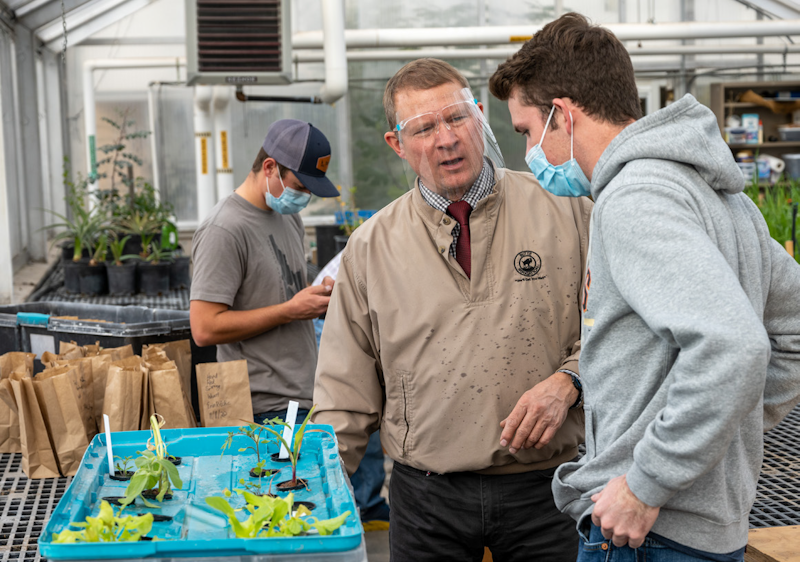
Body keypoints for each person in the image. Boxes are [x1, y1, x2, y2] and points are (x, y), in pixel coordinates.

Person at [489, 12, 800, 562]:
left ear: (561, 114)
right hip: (704, 528)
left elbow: (733, 346)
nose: (529, 154)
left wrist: (647, 481)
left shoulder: (635, 198)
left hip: (650, 533)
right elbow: (791, 332)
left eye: (526, 132)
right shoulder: (723, 199)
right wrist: (718, 434)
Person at [313, 58, 592, 561]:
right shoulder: (372, 247)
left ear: (480, 117)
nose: (446, 139)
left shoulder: (567, 211)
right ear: (397, 144)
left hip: (547, 489)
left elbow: (621, 328)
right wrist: (310, 489)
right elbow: (344, 391)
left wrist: (571, 380)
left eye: (457, 118)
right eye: (424, 128)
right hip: (426, 499)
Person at [190, 119, 340, 424]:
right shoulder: (224, 229)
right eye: (299, 187)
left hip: (302, 398)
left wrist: (319, 294)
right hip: (260, 410)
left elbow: (280, 292)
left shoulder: (288, 218)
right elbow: (204, 328)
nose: (303, 198)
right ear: (270, 167)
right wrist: (290, 310)